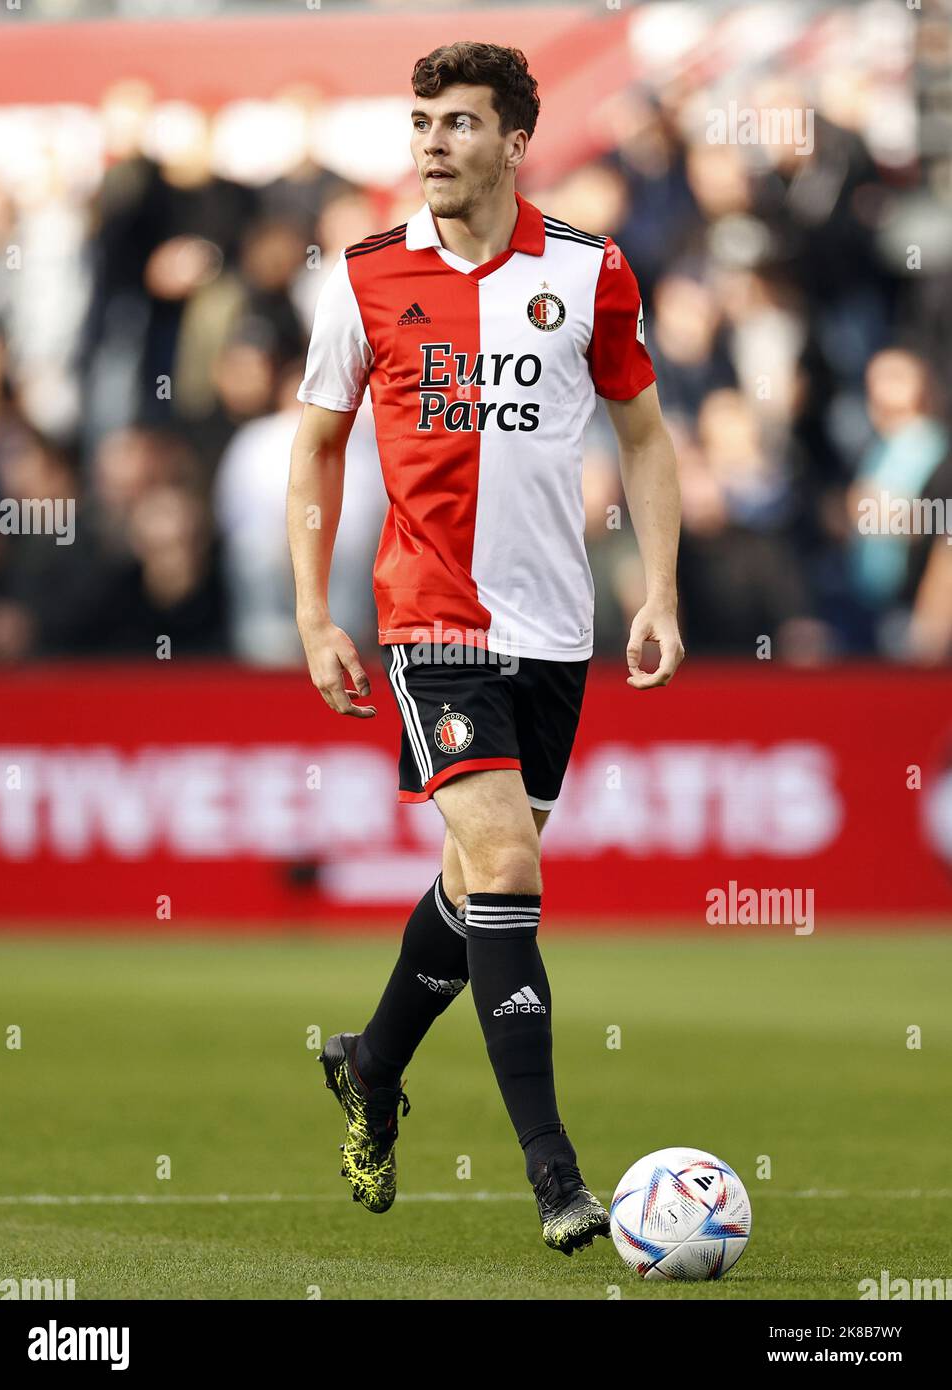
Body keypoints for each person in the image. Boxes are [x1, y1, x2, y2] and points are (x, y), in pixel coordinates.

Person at [287, 41, 684, 1256]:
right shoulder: (362, 279)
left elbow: (646, 437)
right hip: (429, 620)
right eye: (420, 121)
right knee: (508, 866)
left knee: (473, 891)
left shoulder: (587, 271)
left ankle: (369, 1061)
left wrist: (658, 591)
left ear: (517, 141)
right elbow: (313, 450)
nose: (430, 143)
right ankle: (557, 1177)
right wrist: (313, 611)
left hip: (555, 630)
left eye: (457, 123)